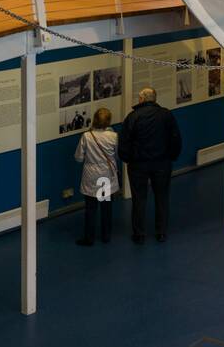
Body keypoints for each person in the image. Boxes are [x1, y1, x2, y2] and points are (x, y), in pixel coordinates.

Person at [118, 87, 182, 243]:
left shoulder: (133, 117)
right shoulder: (166, 115)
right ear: (155, 98)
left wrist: (127, 158)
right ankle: (161, 232)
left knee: (138, 199)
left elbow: (124, 141)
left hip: (138, 164)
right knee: (162, 197)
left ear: (141, 99)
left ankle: (139, 234)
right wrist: (171, 156)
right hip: (162, 163)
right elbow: (175, 138)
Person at [74, 108, 119, 246]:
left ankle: (89, 238)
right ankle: (106, 236)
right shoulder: (114, 136)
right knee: (106, 207)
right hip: (105, 176)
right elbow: (116, 155)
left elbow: (79, 158)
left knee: (91, 208)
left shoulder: (87, 136)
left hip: (91, 176)